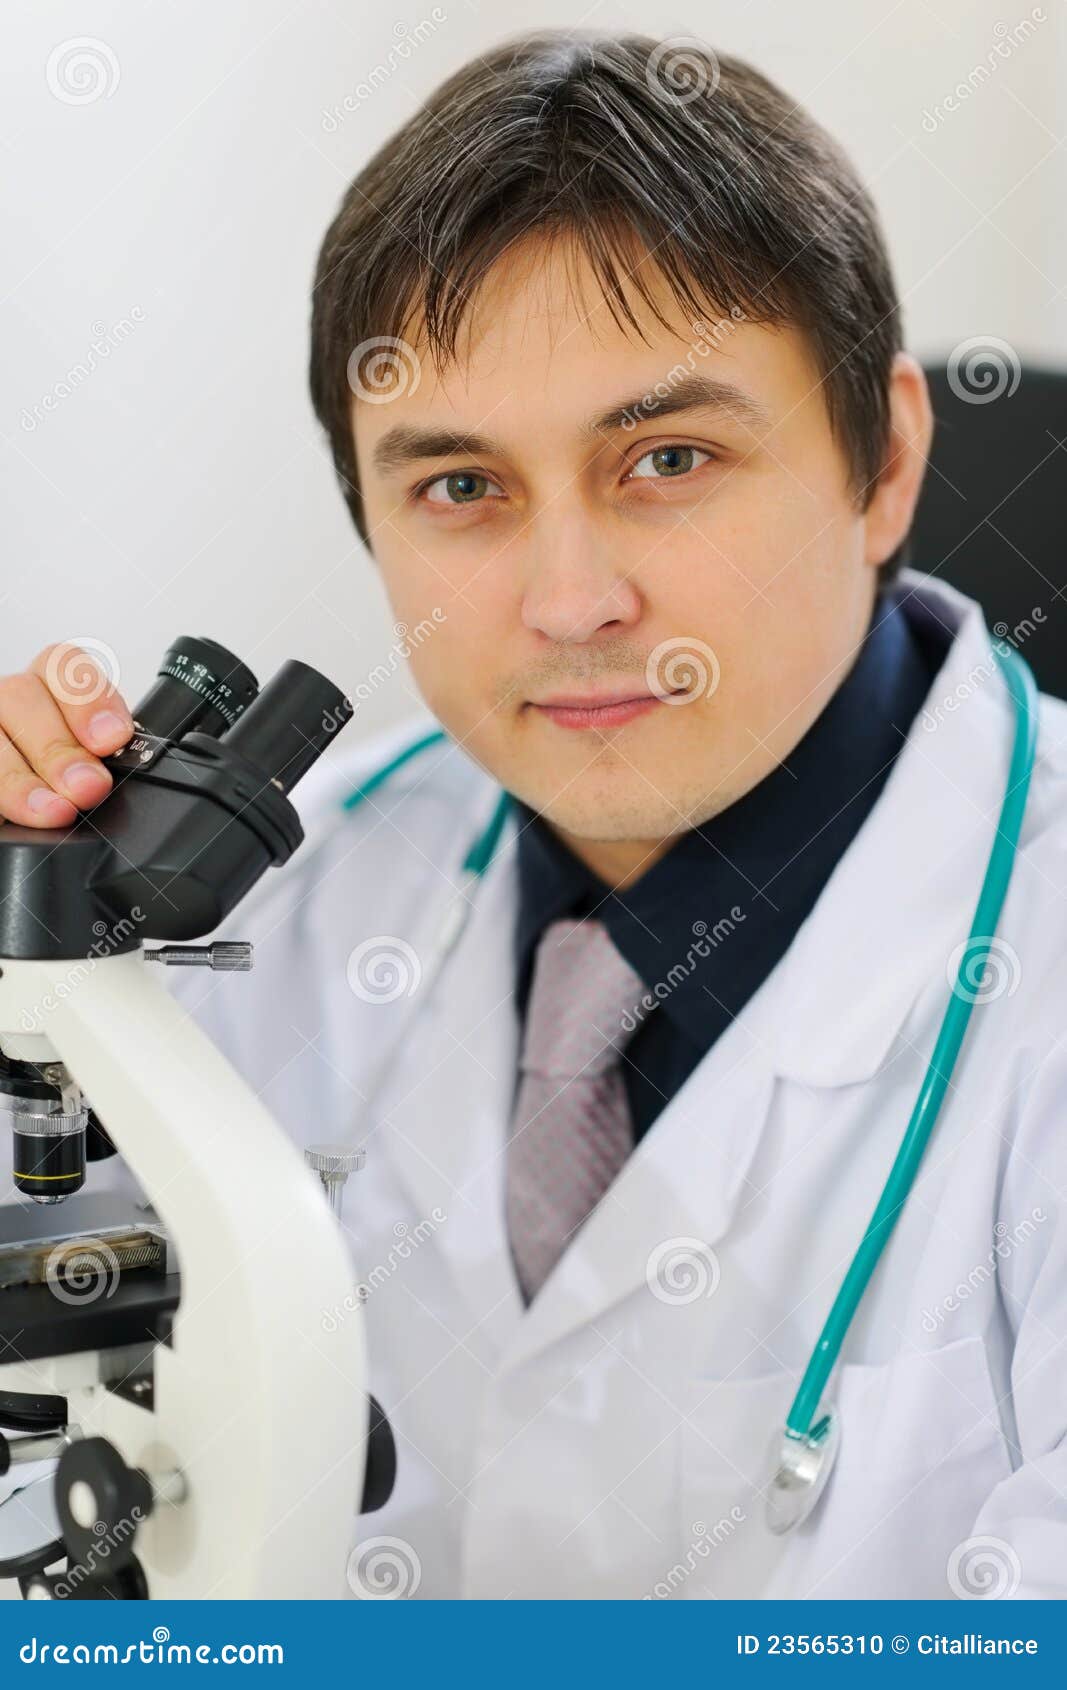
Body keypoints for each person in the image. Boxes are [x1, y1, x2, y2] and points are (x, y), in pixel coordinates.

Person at [1, 31, 1065, 1600]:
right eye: (461, 488)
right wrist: (39, 975)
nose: (570, 603)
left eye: (668, 459)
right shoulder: (280, 903)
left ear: (887, 462)